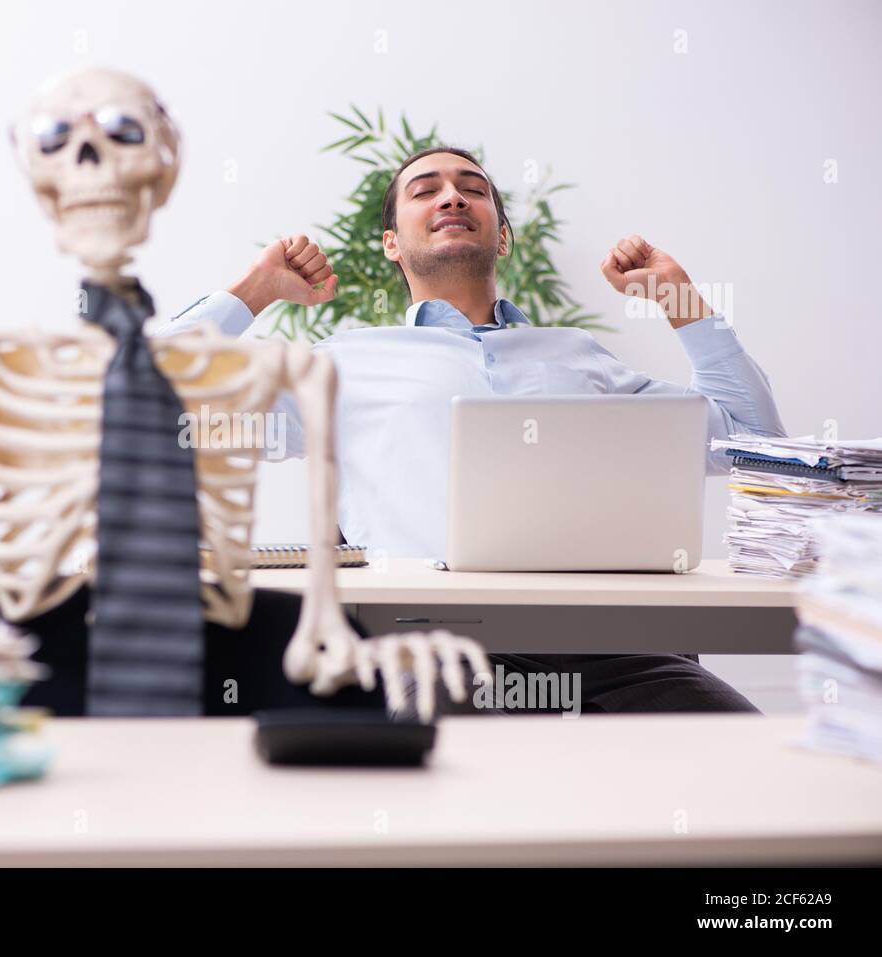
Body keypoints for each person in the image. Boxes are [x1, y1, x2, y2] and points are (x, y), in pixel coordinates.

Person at [159, 146, 787, 715]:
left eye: (473, 188)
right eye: (424, 190)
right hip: (427, 656)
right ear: (391, 244)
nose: (452, 197)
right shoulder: (340, 363)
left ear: (503, 237)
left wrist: (679, 299)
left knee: (747, 759)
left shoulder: (579, 355)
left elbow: (756, 442)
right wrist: (256, 289)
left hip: (620, 654)